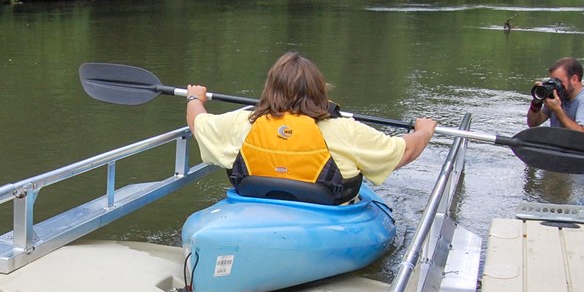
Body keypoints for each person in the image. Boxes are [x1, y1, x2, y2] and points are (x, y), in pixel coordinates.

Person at [185, 51, 436, 204]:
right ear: (319, 91)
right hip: (326, 214)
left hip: (257, 205)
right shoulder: (345, 130)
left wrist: (195, 98)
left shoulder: (243, 123)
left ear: (269, 90)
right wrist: (423, 131)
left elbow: (197, 123)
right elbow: (404, 151)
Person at [526, 57, 584, 134]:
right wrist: (537, 101)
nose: (555, 85)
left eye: (558, 81)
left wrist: (558, 110)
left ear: (574, 79)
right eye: (552, 81)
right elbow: (533, 123)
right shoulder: (556, 96)